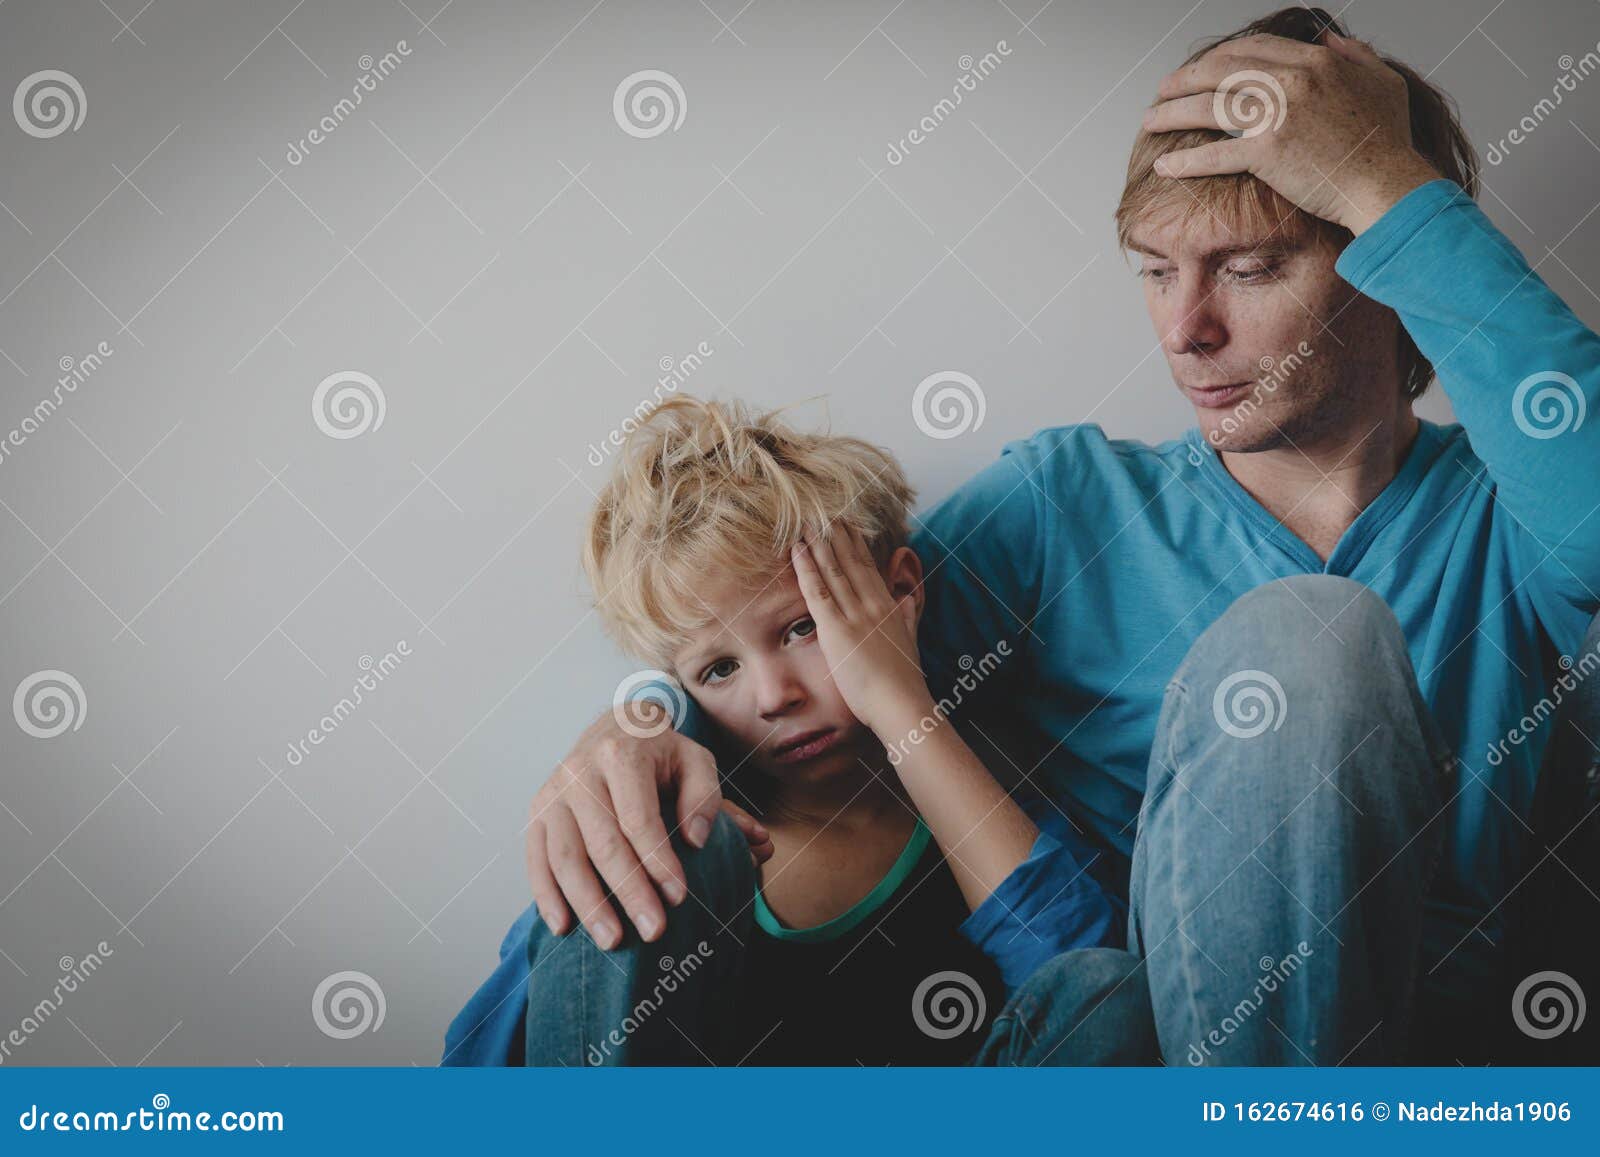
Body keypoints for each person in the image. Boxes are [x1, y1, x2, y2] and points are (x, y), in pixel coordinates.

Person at [473, 6, 1600, 1065]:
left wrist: (1382, 177)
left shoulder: (1513, 522)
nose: (1186, 329)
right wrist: (638, 724)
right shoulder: (1065, 510)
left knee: (1313, 638)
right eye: (1156, 274)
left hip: (1415, 1069)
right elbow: (807, 645)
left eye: (1248, 270)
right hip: (1131, 1057)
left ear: (1386, 261)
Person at [444, 396, 1134, 1065]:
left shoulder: (987, 784)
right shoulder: (678, 838)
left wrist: (898, 704)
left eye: (804, 627)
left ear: (900, 591)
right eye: (718, 669)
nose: (775, 695)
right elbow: (496, 1048)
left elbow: (1087, 989)